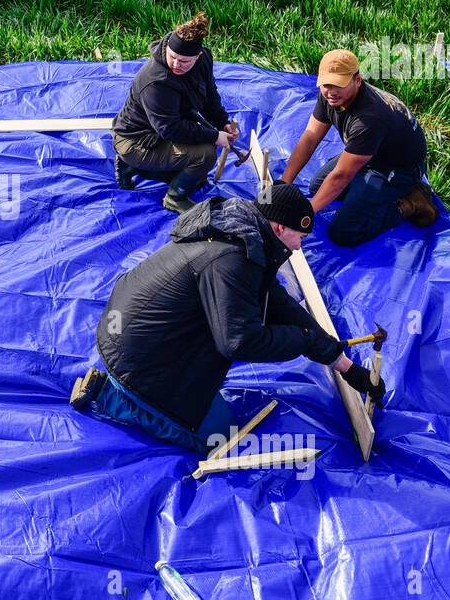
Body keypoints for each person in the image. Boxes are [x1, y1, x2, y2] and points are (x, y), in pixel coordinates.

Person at [71, 184, 385, 452]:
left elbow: (279, 304)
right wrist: (299, 340)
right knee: (221, 435)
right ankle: (112, 397)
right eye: (300, 237)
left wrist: (343, 364)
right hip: (138, 358)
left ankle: (135, 389)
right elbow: (239, 342)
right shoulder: (232, 261)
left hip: (137, 337)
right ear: (279, 228)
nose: (300, 246)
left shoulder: (239, 234)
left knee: (211, 395)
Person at [278, 49, 437, 247]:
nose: (331, 91)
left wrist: (304, 215)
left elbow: (340, 176)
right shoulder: (329, 96)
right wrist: (284, 182)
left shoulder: (369, 118)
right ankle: (368, 195)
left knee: (344, 231)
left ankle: (412, 203)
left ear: (358, 80)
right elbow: (310, 138)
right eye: (326, 84)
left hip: (395, 167)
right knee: (317, 187)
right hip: (369, 153)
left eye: (339, 85)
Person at [110, 11, 236, 213]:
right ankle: (175, 197)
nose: (176, 65)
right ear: (166, 48)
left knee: (199, 175)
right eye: (173, 57)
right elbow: (170, 129)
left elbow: (209, 93)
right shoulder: (155, 81)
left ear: (198, 56)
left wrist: (222, 122)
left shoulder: (204, 60)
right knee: (205, 154)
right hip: (135, 141)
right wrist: (214, 136)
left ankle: (135, 168)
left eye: (184, 61)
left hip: (160, 129)